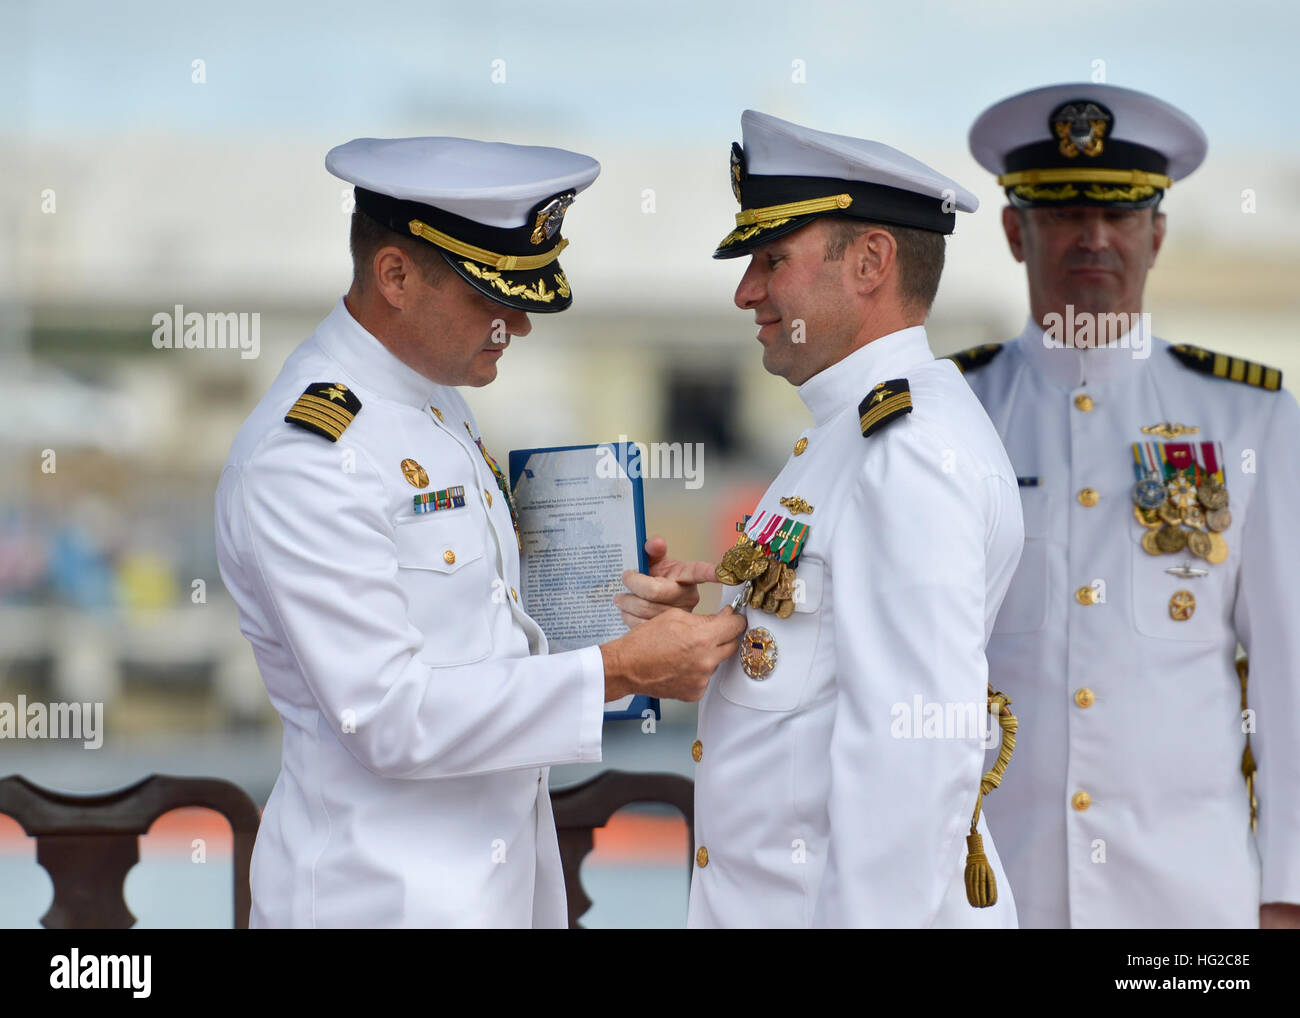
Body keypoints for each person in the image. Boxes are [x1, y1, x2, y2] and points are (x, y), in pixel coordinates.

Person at [214, 135, 746, 928]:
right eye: (490, 296)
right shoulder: (310, 454)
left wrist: (614, 603)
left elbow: (473, 627)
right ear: (394, 275)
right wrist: (621, 670)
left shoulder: (433, 396)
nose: (517, 325)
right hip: (377, 899)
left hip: (491, 886)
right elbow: (389, 716)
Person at [620, 110, 1024, 927]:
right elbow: (814, 684)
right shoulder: (849, 436)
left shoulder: (904, 451)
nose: (746, 291)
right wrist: (714, 639)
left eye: (772, 259)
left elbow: (915, 757)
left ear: (871, 261)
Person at [958, 83, 1300, 928]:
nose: (1093, 237)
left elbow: (1291, 672)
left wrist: (1288, 892)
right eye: (1064, 213)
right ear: (1014, 231)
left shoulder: (1250, 416)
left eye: (1118, 213)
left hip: (1188, 901)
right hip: (992, 887)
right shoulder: (952, 414)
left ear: (1156, 232)